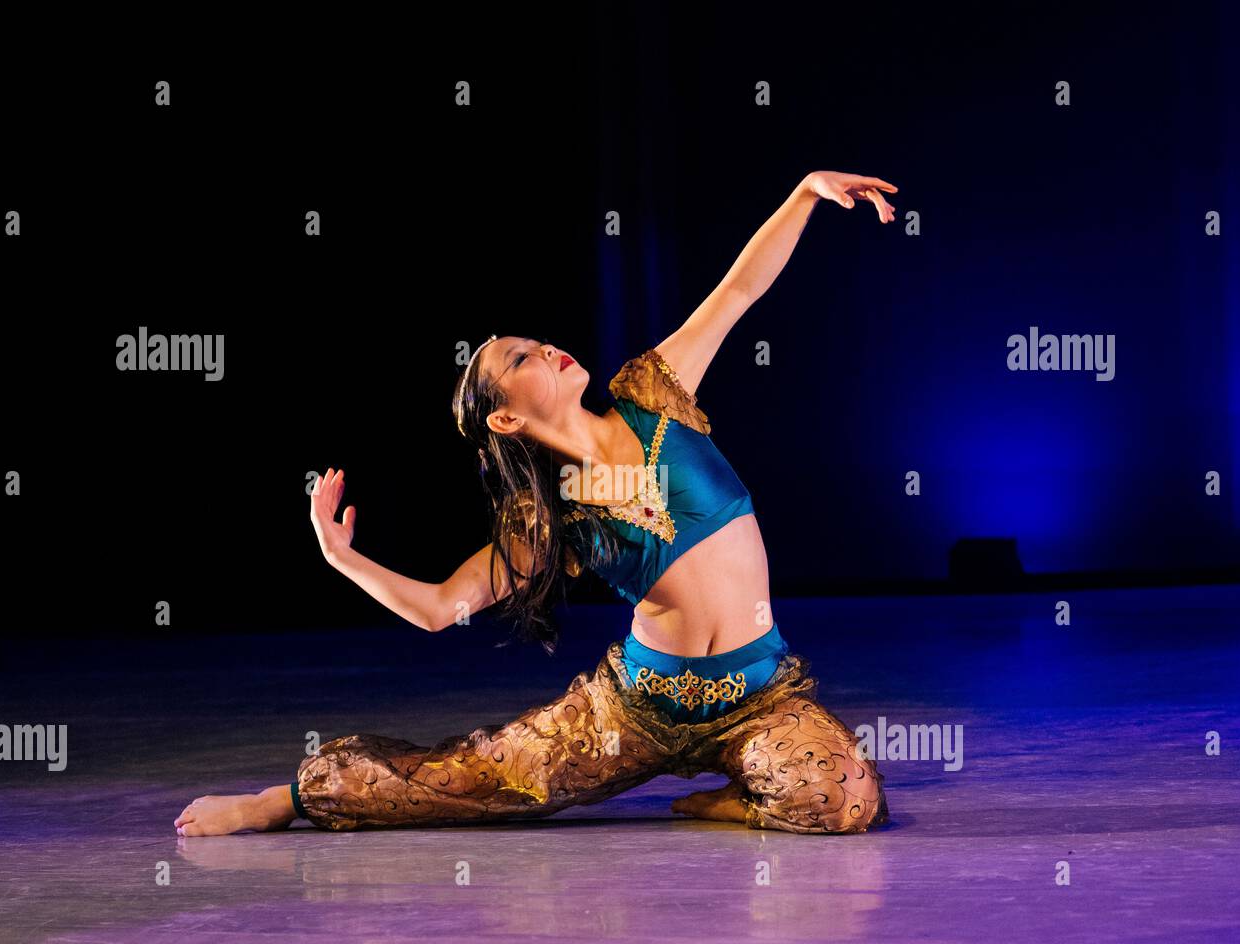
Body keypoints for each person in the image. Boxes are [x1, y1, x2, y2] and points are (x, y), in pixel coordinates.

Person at [174, 169, 899, 837]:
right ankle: (285, 800)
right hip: (635, 711)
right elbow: (439, 608)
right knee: (475, 776)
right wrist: (342, 556)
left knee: (847, 797)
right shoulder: (552, 516)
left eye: (540, 343)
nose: (548, 350)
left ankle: (732, 793)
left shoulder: (654, 393)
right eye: (523, 358)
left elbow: (738, 291)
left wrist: (804, 192)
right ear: (506, 418)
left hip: (758, 697)